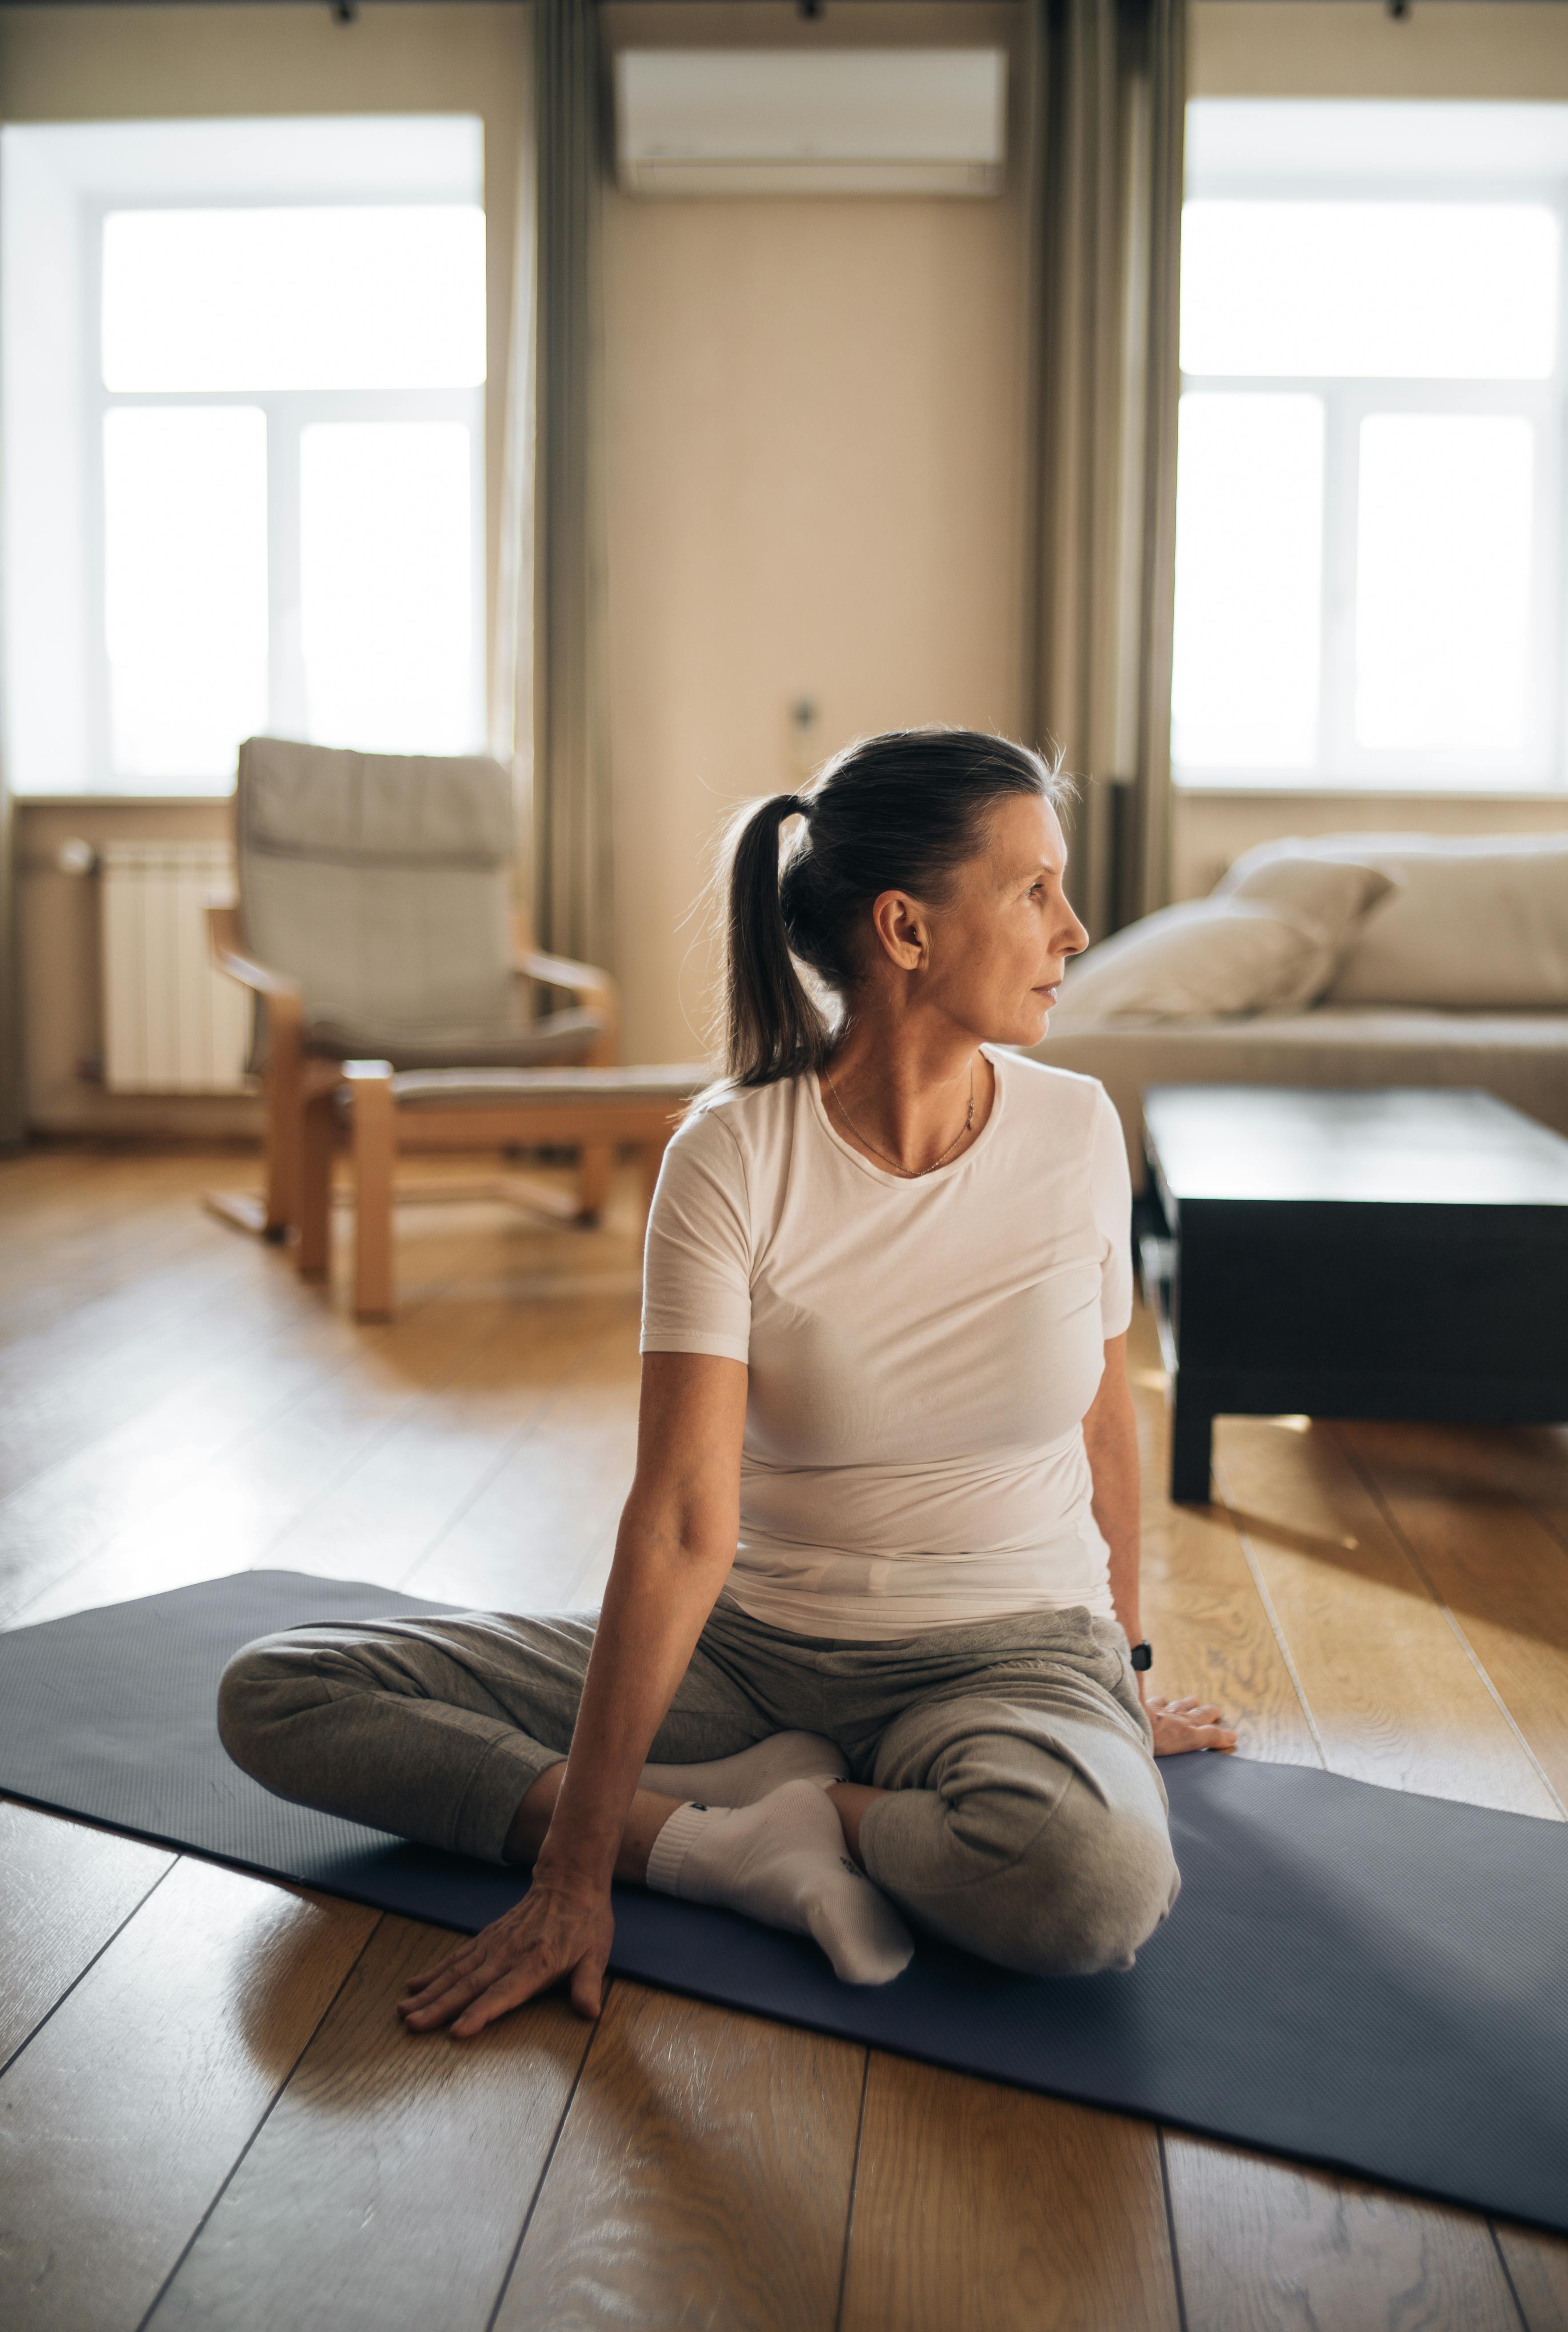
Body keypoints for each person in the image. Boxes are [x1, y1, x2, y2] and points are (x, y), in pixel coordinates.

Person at [217, 729, 1237, 2038]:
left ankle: (806, 1814)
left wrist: (1124, 1681)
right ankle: (714, 1846)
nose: (1075, 929)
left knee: (1089, 1884)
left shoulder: (1077, 1126)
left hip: (1015, 1649)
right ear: (906, 930)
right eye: (1035, 890)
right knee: (283, 1695)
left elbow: (1103, 1426)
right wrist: (577, 1871)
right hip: (755, 1659)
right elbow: (683, 1518)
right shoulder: (732, 1157)